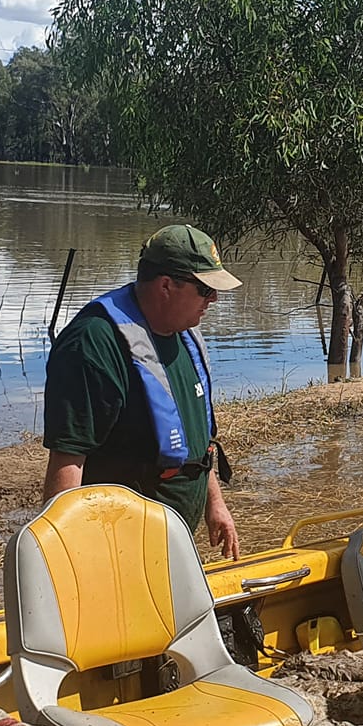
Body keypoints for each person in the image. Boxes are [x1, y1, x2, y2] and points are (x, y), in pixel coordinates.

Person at [41, 224, 241, 561]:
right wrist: (62, 558)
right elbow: (68, 460)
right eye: (205, 289)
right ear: (166, 285)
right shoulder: (93, 344)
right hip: (118, 544)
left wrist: (215, 504)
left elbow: (198, 442)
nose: (214, 299)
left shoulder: (185, 334)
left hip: (171, 539)